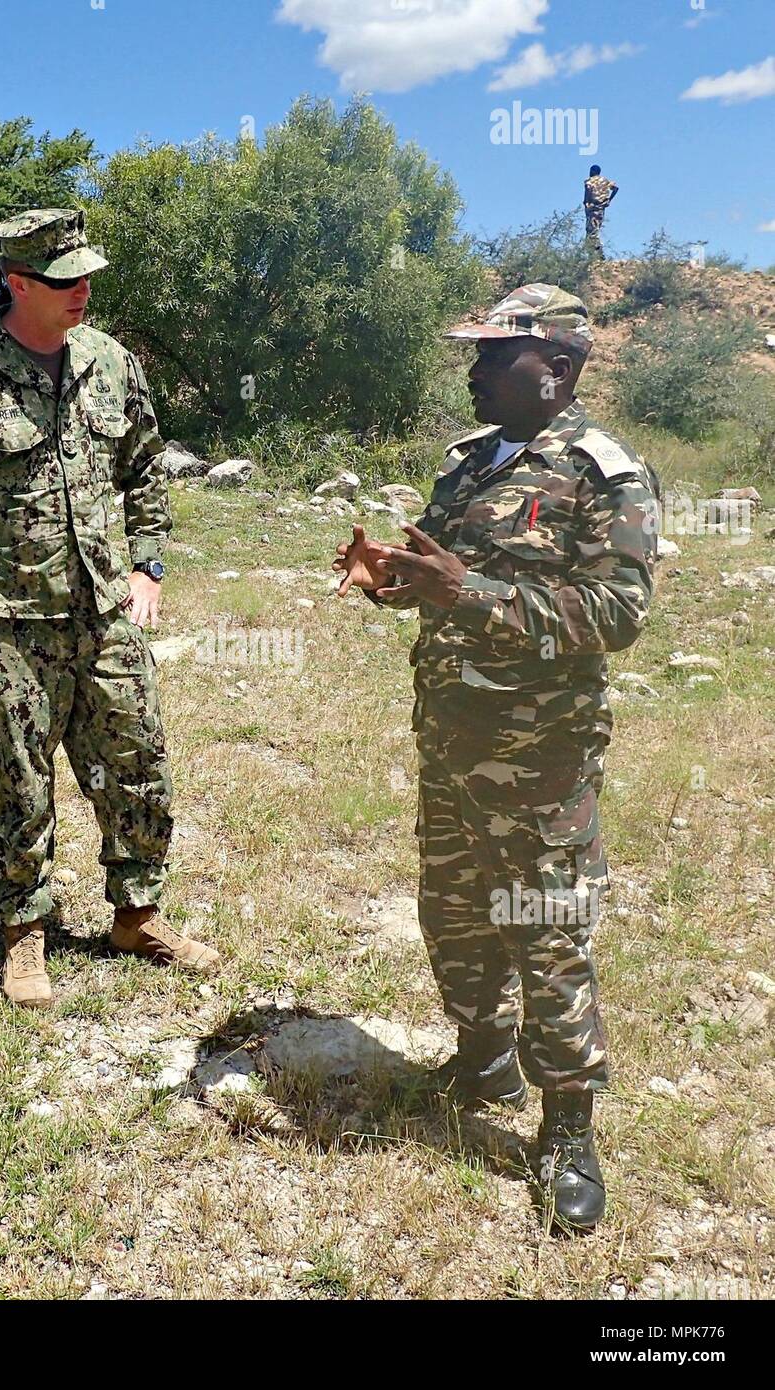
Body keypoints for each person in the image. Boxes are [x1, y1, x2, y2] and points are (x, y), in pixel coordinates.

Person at [333, 284, 659, 1232]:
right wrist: (397, 582)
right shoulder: (472, 464)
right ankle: (482, 1058)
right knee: (455, 907)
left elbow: (616, 617)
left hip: (541, 756)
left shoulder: (607, 476)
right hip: (452, 736)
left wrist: (463, 589)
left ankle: (568, 1128)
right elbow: (453, 579)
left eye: (491, 355)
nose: (471, 370)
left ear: (554, 370)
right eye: (472, 354)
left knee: (546, 931)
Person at [0, 208, 219, 1009]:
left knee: (138, 767)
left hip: (105, 614)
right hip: (3, 623)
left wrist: (149, 567)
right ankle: (24, 933)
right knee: (19, 782)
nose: (84, 291)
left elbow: (145, 470)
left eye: (87, 275)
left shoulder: (111, 364)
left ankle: (138, 917)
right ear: (18, 284)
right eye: (64, 280)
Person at [583, 165, 618, 258]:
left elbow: (587, 193)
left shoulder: (589, 181)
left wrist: (586, 202)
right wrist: (609, 200)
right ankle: (591, 254)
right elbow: (615, 188)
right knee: (591, 230)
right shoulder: (605, 181)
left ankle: (599, 253)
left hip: (592, 208)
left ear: (592, 171)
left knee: (592, 231)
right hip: (601, 208)